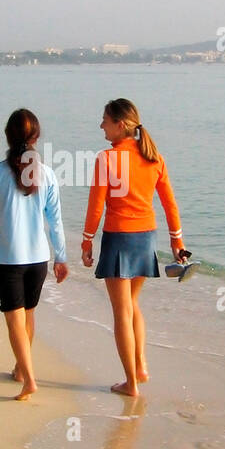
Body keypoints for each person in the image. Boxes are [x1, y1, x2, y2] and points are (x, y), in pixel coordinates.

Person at [81, 98, 186, 397]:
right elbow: (170, 204)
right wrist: (177, 242)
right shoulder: (155, 159)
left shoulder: (107, 159)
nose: (101, 125)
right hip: (145, 238)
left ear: (121, 125)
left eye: (105, 120)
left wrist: (87, 240)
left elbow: (96, 206)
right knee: (132, 305)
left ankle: (131, 383)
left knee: (121, 312)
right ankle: (140, 366)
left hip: (118, 238)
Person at [0, 109, 68, 400]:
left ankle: (29, 379)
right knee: (28, 314)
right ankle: (20, 370)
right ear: (36, 138)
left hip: (8, 260)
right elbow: (56, 220)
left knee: (14, 320)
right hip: (39, 260)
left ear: (8, 137)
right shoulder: (47, 174)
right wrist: (61, 257)